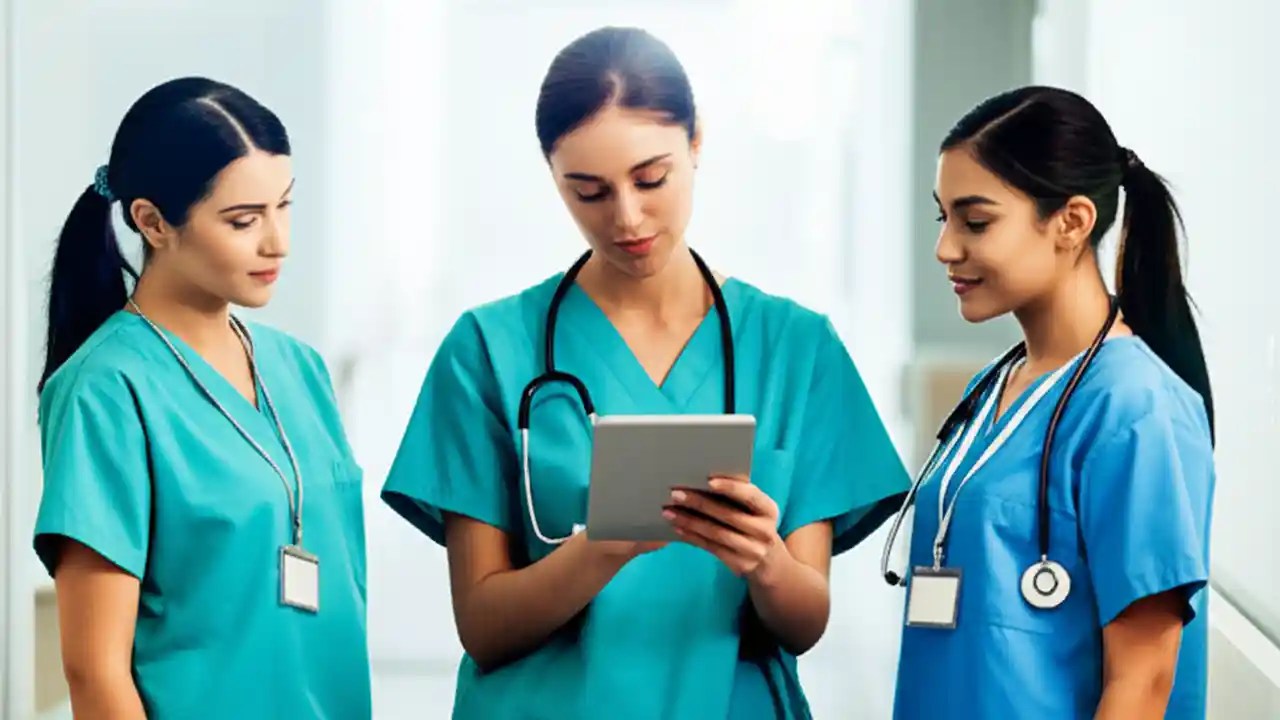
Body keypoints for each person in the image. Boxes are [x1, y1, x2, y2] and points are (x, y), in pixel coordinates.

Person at [381, 26, 909, 720]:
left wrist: (765, 562)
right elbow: (483, 626)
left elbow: (805, 624)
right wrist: (601, 548)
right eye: (588, 192)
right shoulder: (489, 348)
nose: (626, 217)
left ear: (697, 143)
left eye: (651, 178)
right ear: (552, 176)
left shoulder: (794, 347)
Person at [32, 77, 371, 719]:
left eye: (284, 206)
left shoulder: (299, 369)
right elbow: (94, 673)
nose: (278, 243)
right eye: (244, 220)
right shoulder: (105, 390)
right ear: (153, 222)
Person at [882, 85, 1216, 719]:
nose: (945, 248)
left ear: (1072, 222)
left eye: (975, 221)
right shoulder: (995, 387)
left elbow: (1142, 683)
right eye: (942, 218)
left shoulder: (1136, 410)